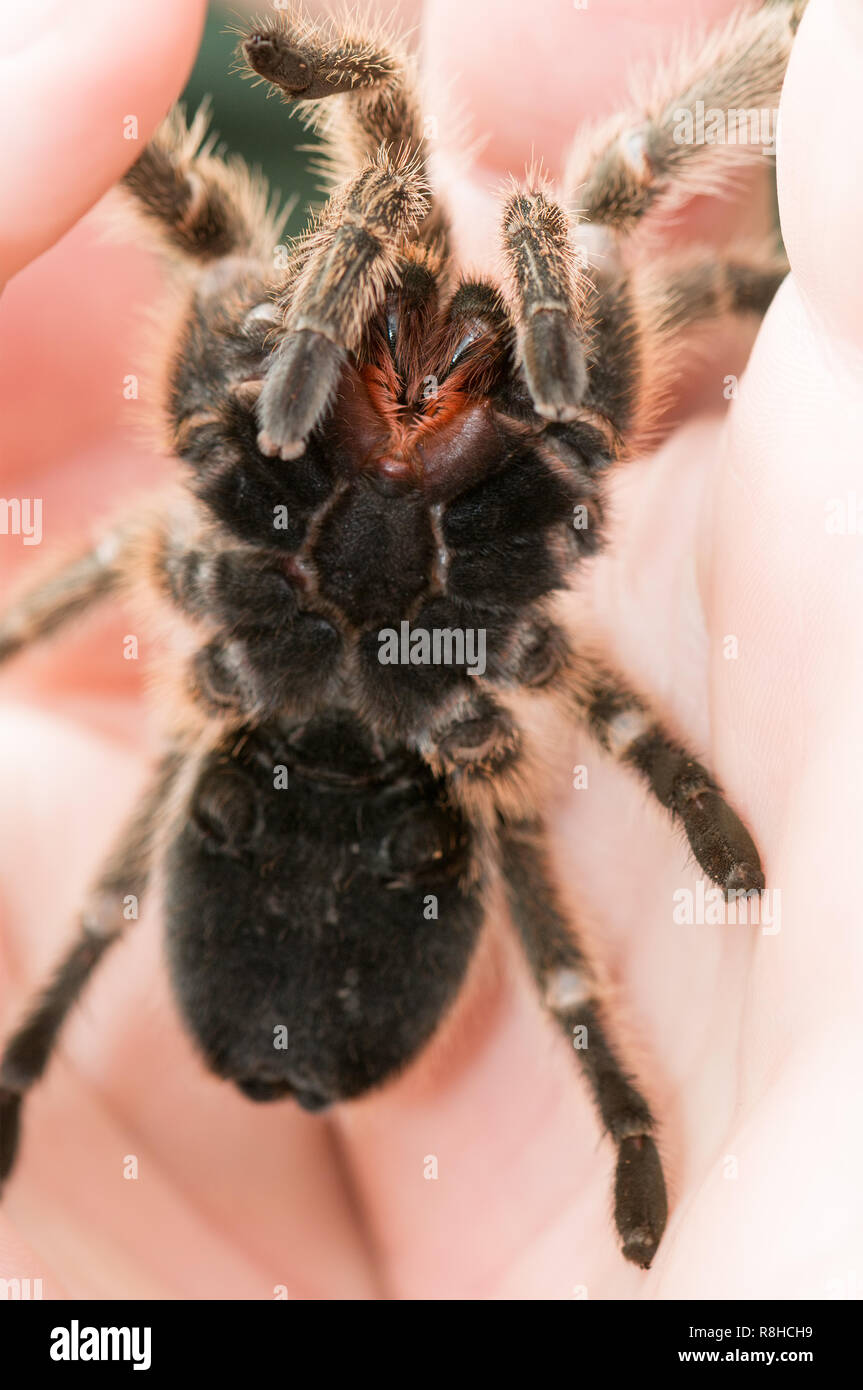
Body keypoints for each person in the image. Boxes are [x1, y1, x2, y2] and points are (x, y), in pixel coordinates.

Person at [0, 0, 860, 1299]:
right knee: (591, 213)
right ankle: (32, 1042)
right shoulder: (477, 637)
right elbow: (218, 213)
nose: (418, 394)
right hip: (350, 777)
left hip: (344, 837)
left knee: (616, 231)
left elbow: (663, 271)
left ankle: (618, 1116)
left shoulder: (442, 613)